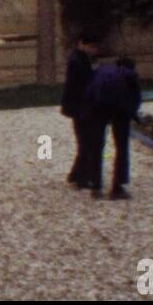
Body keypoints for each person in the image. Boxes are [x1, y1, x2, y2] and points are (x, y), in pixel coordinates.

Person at [80, 57, 142, 200]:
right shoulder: (130, 75)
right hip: (120, 111)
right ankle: (117, 187)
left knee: (97, 147)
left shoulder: (101, 71)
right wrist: (133, 114)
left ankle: (96, 186)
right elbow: (136, 98)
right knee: (121, 148)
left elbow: (89, 92)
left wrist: (87, 113)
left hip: (99, 109)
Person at [61, 31, 102, 188]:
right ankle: (80, 177)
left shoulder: (81, 59)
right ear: (82, 44)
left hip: (80, 107)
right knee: (86, 142)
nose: (94, 50)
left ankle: (78, 175)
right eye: (92, 46)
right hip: (80, 108)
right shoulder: (78, 62)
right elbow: (83, 84)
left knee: (86, 142)